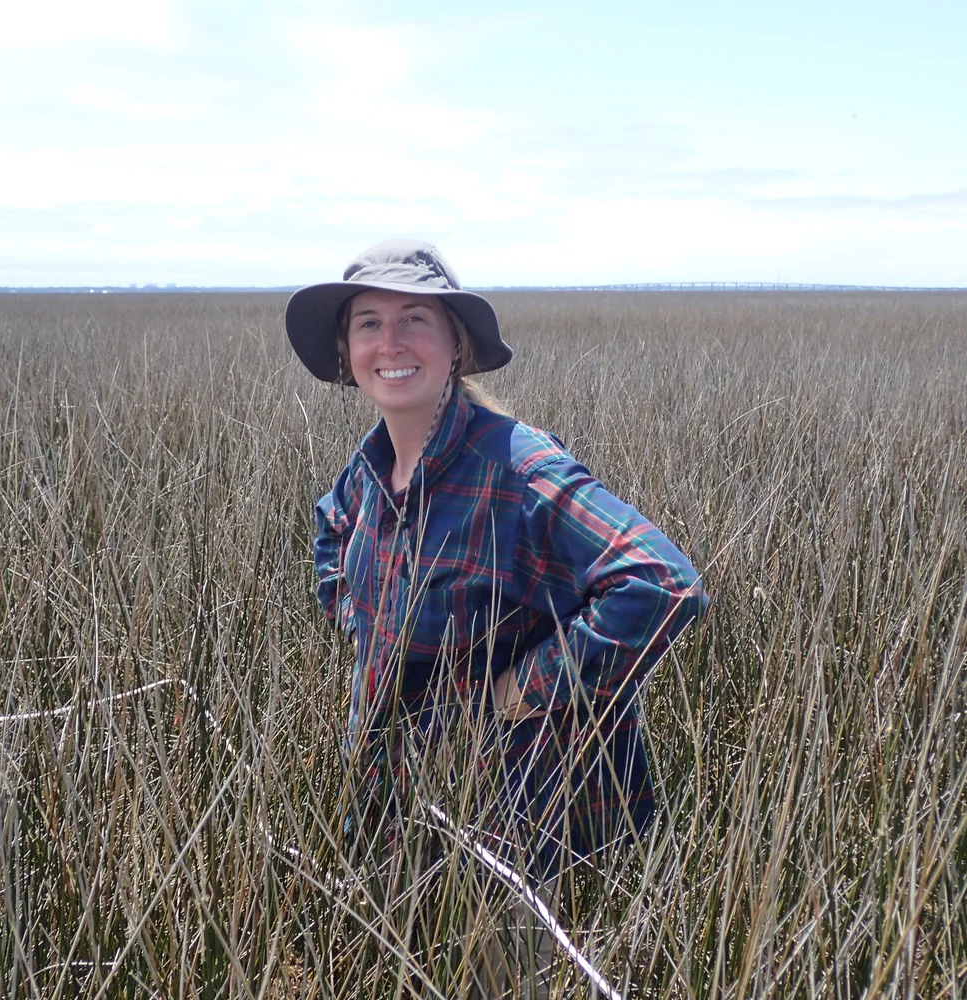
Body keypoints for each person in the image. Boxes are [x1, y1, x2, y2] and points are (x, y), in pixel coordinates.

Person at [286, 239, 709, 997]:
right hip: (395, 803)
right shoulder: (369, 471)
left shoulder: (517, 466)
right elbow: (331, 533)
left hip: (514, 829)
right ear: (347, 352)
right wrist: (359, 622)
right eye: (369, 323)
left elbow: (661, 583)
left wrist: (523, 689)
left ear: (456, 346)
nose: (390, 342)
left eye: (415, 319)